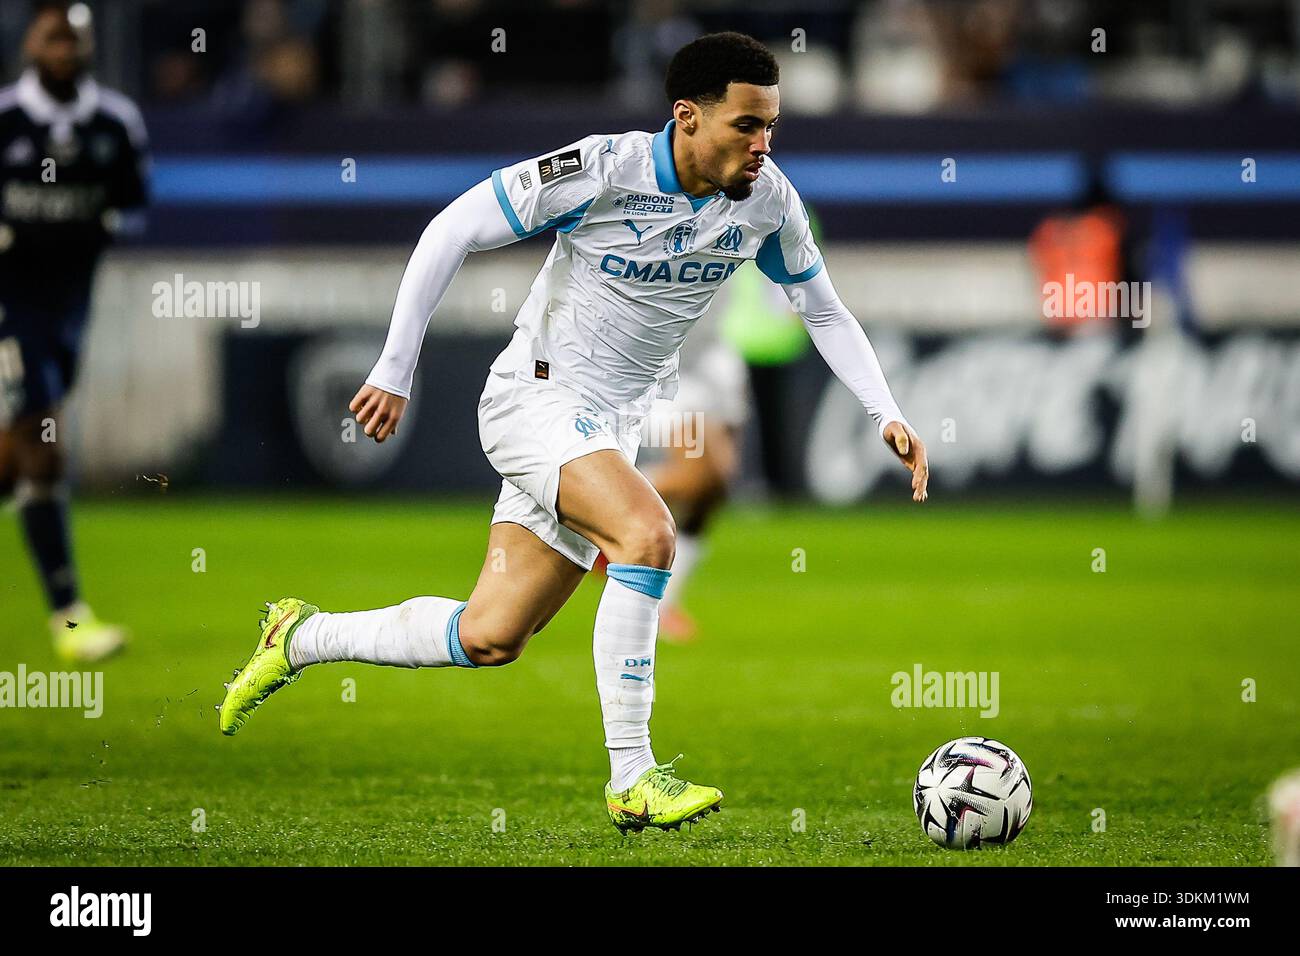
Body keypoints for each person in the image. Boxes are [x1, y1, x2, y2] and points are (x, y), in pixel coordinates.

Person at [219, 32, 928, 833]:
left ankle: (301, 636)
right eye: (745, 126)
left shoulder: (769, 202)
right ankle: (633, 776)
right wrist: (394, 366)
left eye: (770, 126)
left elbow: (821, 305)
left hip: (609, 428)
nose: (762, 145)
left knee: (489, 635)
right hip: (537, 401)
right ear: (686, 117)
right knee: (647, 532)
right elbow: (452, 227)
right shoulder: (603, 167)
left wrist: (886, 411)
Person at [0, 1, 149, 662]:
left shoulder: (115, 124)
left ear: (90, 45)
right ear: (32, 40)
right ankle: (68, 617)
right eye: (53, 34)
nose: (64, 47)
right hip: (9, 309)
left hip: (68, 311)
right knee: (44, 443)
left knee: (20, 459)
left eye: (75, 37)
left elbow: (134, 205)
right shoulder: (4, 119)